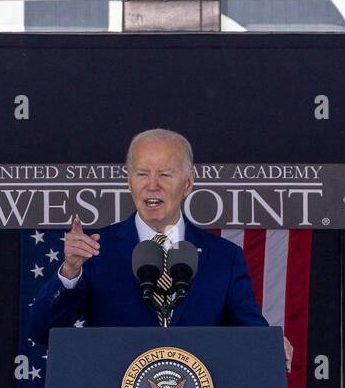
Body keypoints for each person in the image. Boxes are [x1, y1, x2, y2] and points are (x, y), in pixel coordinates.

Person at [25, 128, 270, 344]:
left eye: (165, 174)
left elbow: (252, 335)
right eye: (142, 173)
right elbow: (41, 332)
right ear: (129, 182)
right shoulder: (97, 251)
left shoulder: (224, 257)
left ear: (187, 184)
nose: (152, 185)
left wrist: (270, 344)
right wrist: (69, 272)